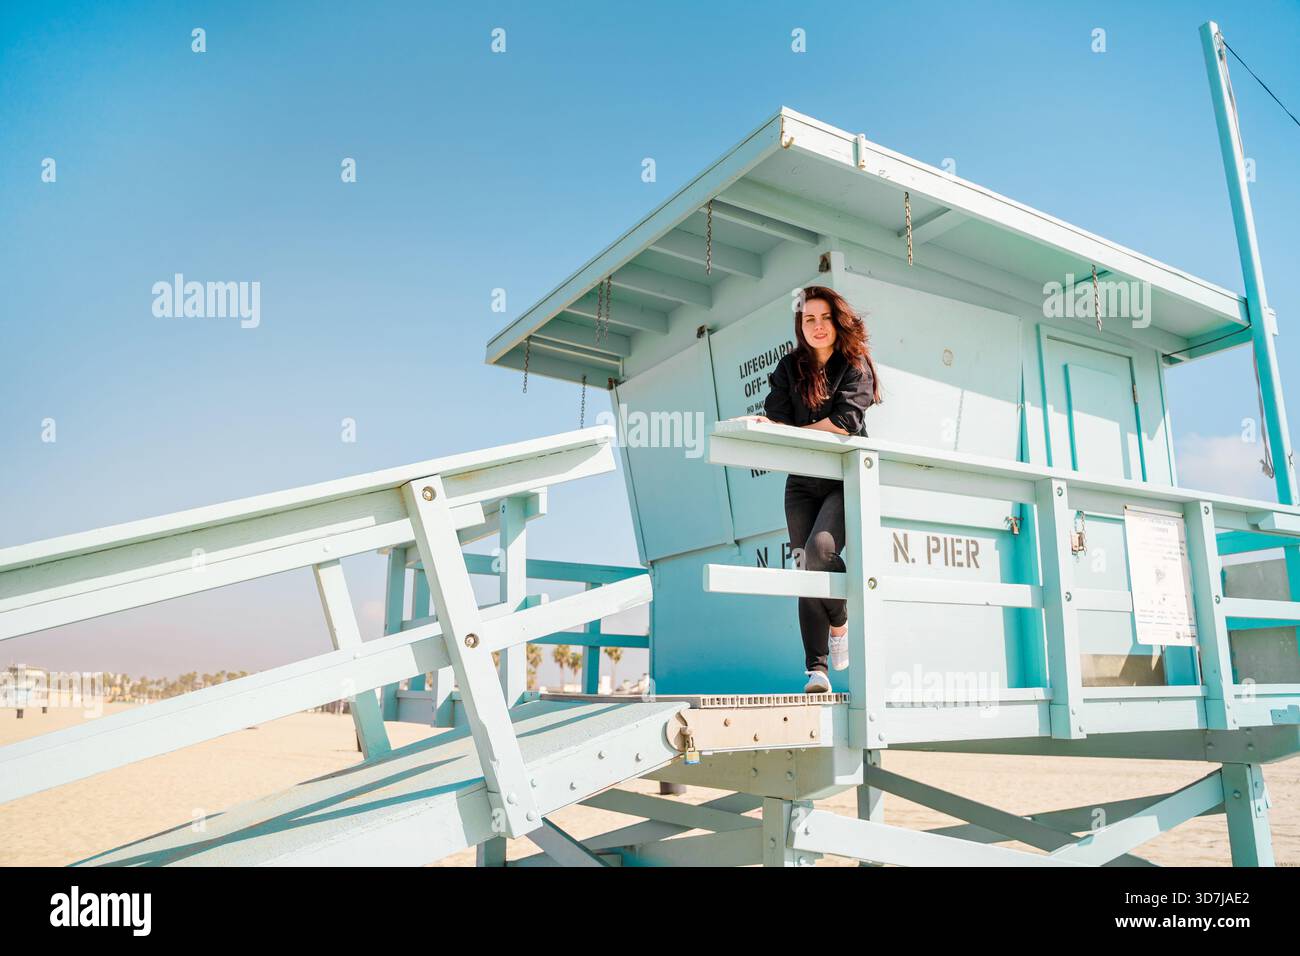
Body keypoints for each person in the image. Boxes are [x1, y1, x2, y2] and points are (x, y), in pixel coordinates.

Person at [739, 286, 880, 693]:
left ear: (838, 321)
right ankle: (816, 671)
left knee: (820, 553)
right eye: (808, 319)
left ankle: (840, 620)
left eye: (824, 318)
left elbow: (844, 422)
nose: (817, 326)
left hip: (843, 479)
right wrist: (772, 426)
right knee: (805, 570)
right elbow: (776, 415)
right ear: (800, 326)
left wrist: (791, 431)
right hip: (801, 484)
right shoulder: (789, 367)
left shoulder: (856, 366)